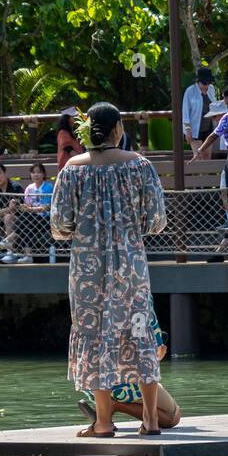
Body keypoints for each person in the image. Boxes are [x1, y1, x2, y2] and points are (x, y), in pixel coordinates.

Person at [51, 102, 168, 436]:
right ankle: (150, 418)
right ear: (118, 129)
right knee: (139, 330)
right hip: (130, 264)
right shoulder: (140, 166)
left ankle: (103, 422)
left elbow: (60, 225)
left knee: (95, 333)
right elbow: (157, 220)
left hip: (88, 268)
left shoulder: (73, 169)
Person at [75, 309, 182, 429]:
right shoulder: (137, 299)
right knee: (173, 417)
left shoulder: (90, 304)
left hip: (92, 381)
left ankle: (103, 419)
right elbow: (155, 349)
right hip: (130, 381)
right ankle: (115, 406)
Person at [11, 163, 54, 264]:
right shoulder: (29, 188)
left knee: (26, 219)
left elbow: (46, 207)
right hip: (31, 218)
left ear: (44, 174)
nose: (36, 175)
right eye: (33, 172)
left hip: (46, 219)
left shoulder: (49, 187)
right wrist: (21, 207)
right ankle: (28, 256)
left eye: (39, 172)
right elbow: (27, 206)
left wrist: (29, 209)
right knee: (26, 222)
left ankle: (10, 240)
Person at [181, 66, 216, 158]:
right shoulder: (190, 91)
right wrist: (188, 130)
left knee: (207, 157)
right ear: (198, 81)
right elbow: (185, 112)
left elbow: (214, 107)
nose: (206, 85)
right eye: (204, 83)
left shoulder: (212, 89)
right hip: (195, 130)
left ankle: (206, 173)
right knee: (198, 157)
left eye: (208, 82)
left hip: (209, 128)